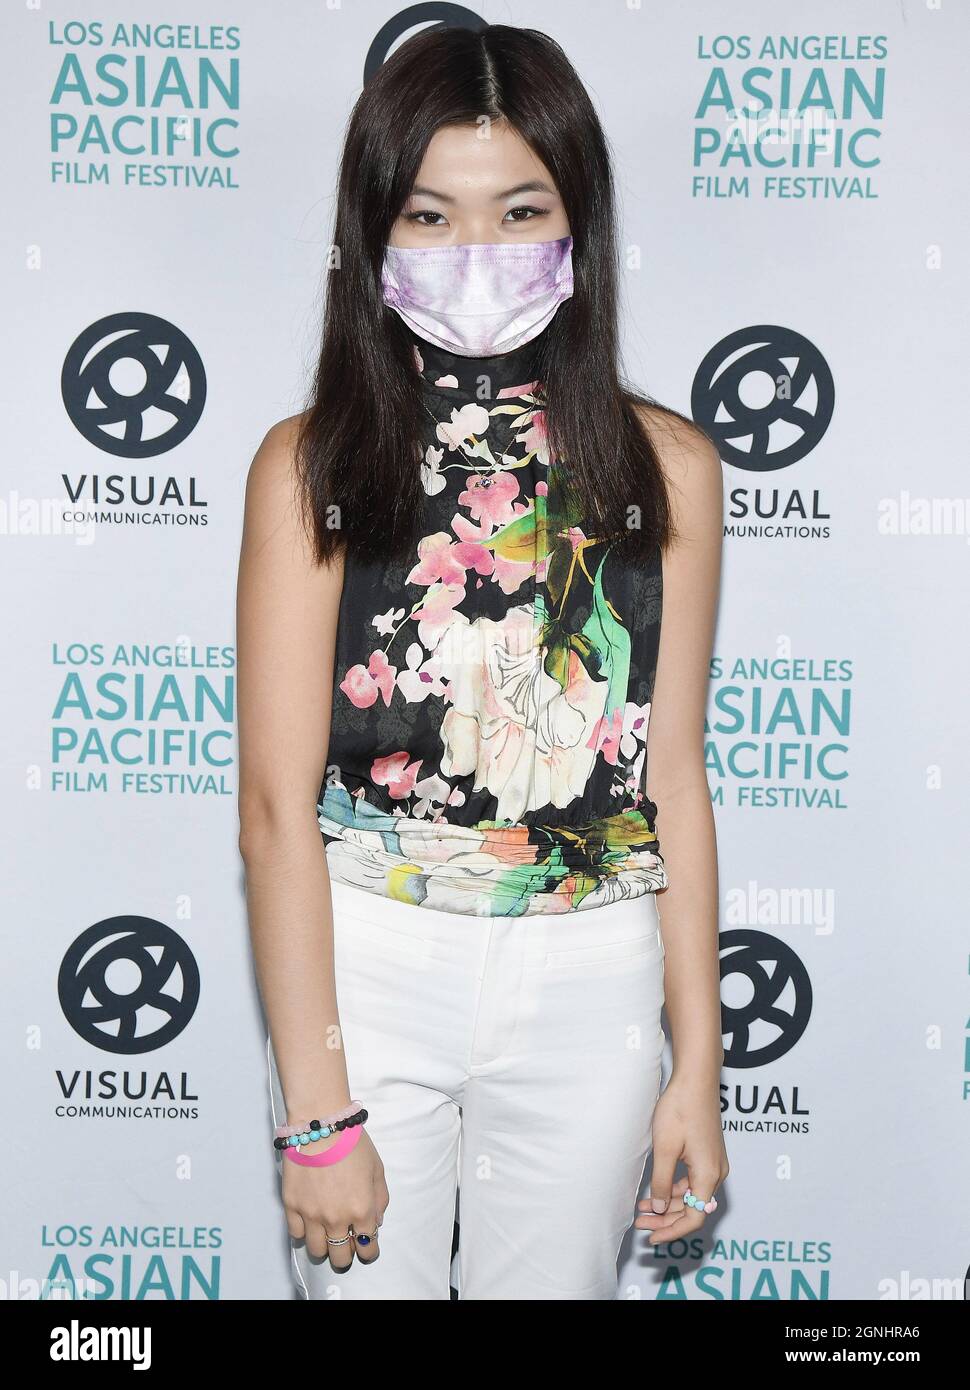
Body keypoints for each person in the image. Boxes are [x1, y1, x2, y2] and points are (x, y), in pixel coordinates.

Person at [236, 23, 728, 1302]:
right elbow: (277, 806)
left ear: (580, 223)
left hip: (593, 973)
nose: (477, 254)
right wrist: (316, 1113)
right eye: (429, 216)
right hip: (369, 963)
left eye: (520, 210)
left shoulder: (668, 465)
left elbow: (669, 770)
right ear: (372, 235)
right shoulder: (312, 465)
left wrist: (697, 1065)